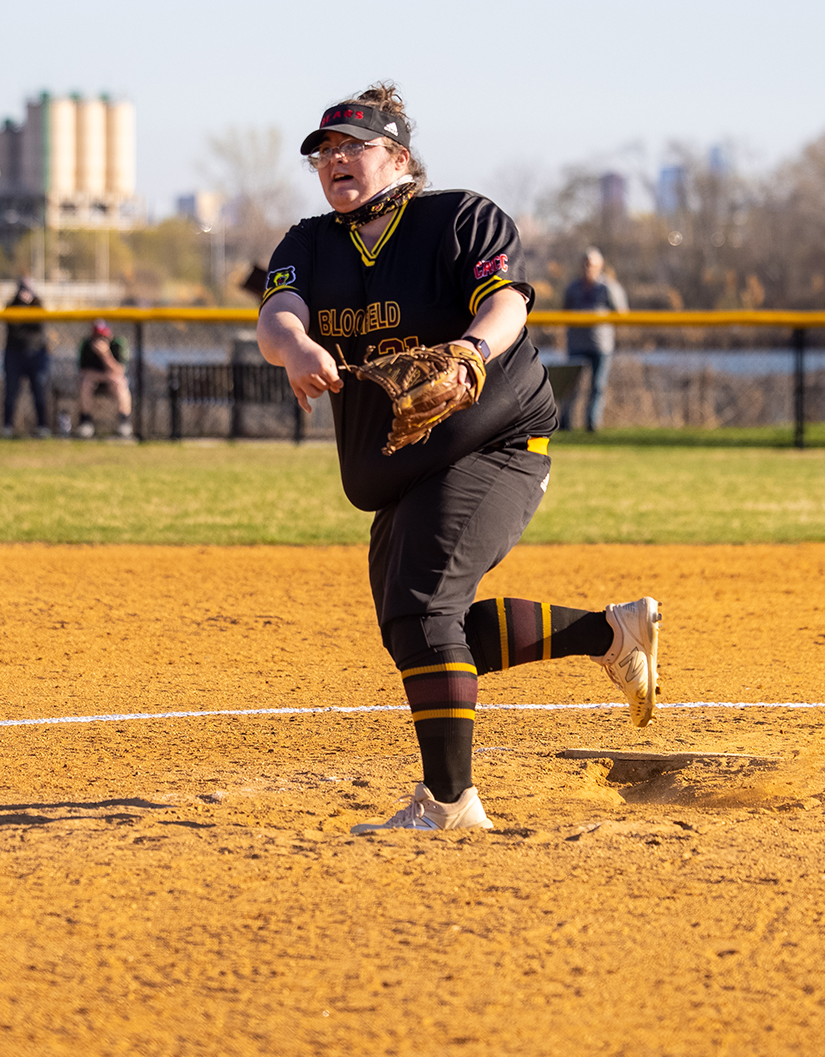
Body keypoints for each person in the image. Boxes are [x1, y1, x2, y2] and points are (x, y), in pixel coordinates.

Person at [255, 83, 662, 834]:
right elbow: (277, 314)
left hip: (498, 438)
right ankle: (611, 634)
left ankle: (449, 802)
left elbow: (507, 301)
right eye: (324, 152)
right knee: (417, 629)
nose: (336, 160)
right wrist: (298, 346)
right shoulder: (309, 242)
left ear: (399, 157)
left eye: (355, 146)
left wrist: (472, 349)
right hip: (408, 458)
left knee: (421, 608)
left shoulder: (457, 217)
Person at [562, 248, 629, 431]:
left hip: (601, 344)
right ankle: (565, 423)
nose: (587, 268)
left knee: (597, 386)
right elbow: (564, 311)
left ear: (600, 266)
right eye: (584, 263)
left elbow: (622, 313)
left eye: (591, 264)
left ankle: (592, 424)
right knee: (571, 385)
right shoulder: (572, 288)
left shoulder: (609, 287)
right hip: (576, 343)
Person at [0, 278, 52, 437]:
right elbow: (14, 329)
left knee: (39, 390)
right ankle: (7, 426)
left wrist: (29, 306)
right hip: (14, 354)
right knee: (11, 392)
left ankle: (42, 426)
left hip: (36, 354)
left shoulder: (38, 305)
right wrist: (22, 306)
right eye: (23, 290)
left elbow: (38, 327)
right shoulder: (11, 306)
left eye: (28, 291)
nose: (25, 294)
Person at [74, 319, 134, 439]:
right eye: (98, 336)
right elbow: (83, 371)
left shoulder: (118, 343)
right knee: (85, 382)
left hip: (112, 382)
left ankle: (125, 423)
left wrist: (105, 354)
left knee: (120, 383)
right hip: (94, 381)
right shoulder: (86, 344)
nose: (100, 339)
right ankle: (86, 423)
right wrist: (104, 376)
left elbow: (119, 372)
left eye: (103, 336)